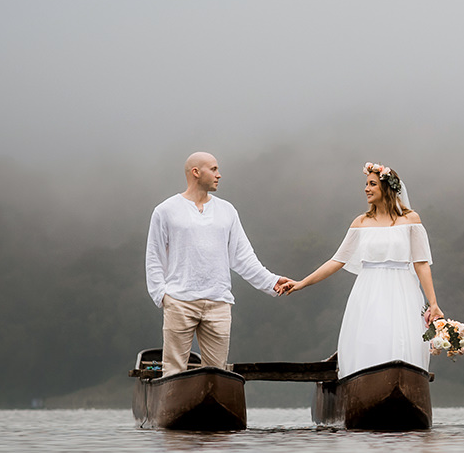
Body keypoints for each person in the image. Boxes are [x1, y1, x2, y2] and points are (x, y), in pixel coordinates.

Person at [281, 162, 445, 377]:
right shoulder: (361, 222)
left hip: (402, 289)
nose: (366, 189)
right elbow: (336, 261)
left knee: (402, 339)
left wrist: (433, 303)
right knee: (371, 338)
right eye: (366, 184)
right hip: (369, 289)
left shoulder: (411, 220)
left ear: (387, 188)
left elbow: (421, 263)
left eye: (372, 184)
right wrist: (302, 283)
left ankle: (403, 382)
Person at [144, 151, 287, 377]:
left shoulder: (227, 211)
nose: (219, 175)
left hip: (218, 302)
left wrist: (271, 282)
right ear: (196, 172)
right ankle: (172, 411)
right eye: (214, 169)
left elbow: (242, 256)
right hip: (179, 301)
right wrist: (162, 295)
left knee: (216, 373)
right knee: (173, 372)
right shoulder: (165, 210)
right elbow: (154, 257)